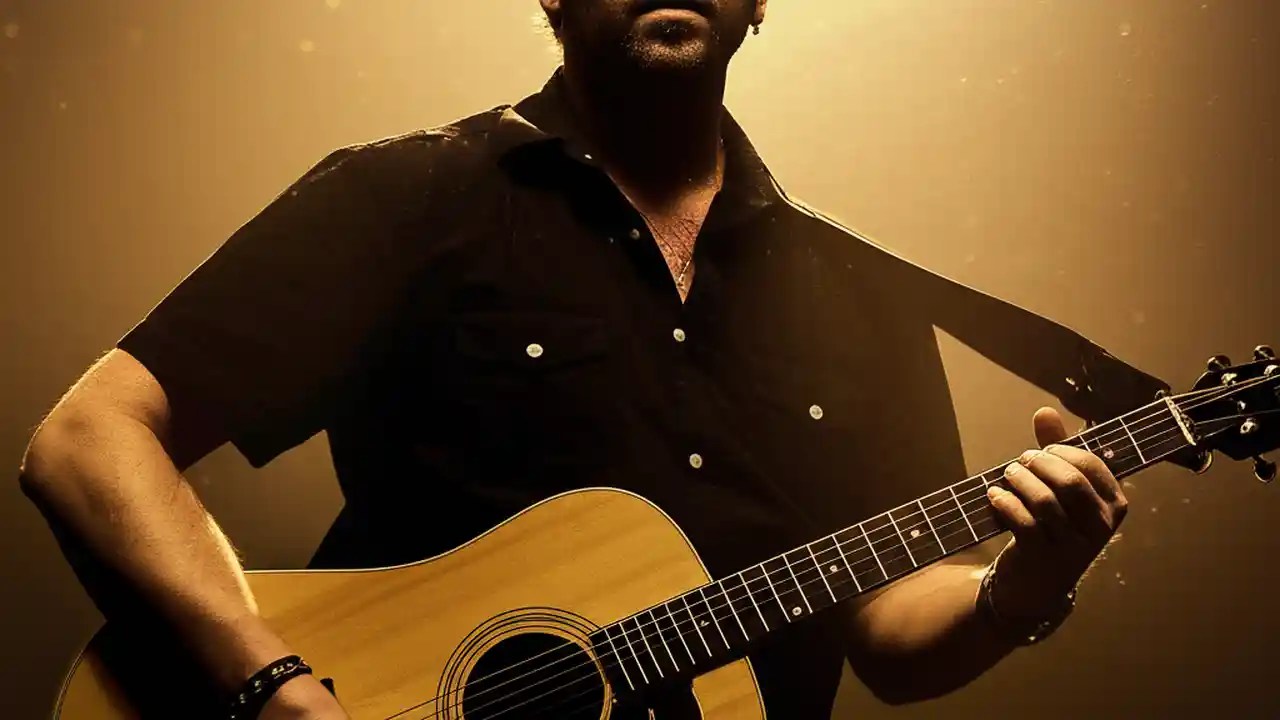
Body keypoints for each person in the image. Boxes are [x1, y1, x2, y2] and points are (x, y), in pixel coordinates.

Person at [20, 1, 1140, 718]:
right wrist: (266, 687)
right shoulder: (407, 198)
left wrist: (1020, 586)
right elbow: (86, 438)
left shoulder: (856, 291)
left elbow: (888, 639)